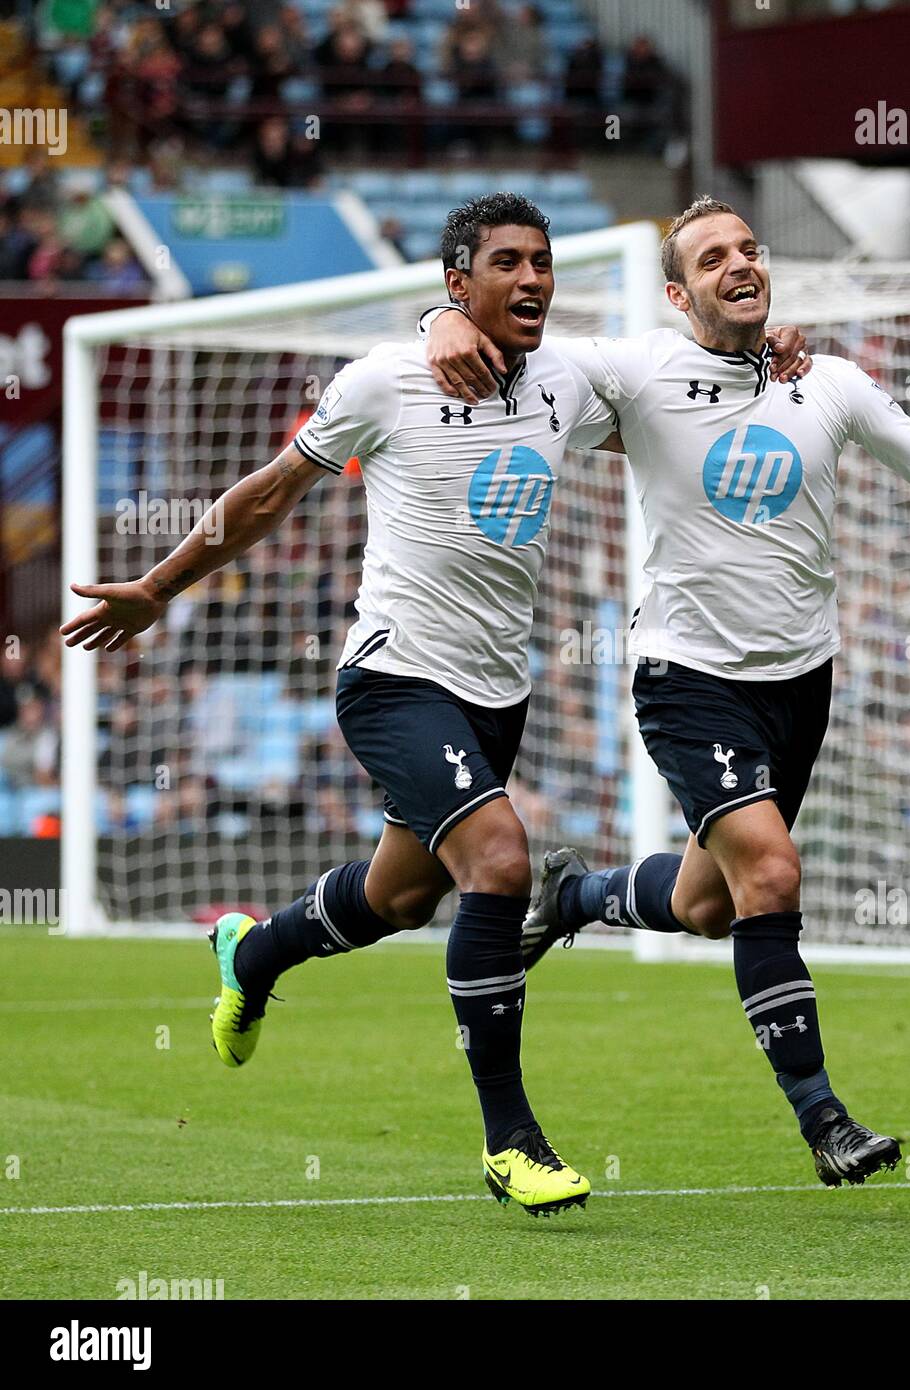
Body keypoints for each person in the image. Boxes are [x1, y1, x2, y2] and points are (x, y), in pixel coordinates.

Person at [421, 195, 910, 1190]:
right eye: (711, 256)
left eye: (747, 249)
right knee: (770, 876)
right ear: (677, 292)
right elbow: (515, 349)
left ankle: (577, 893)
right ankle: (824, 1121)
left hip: (799, 686)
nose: (737, 263)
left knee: (706, 903)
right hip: (688, 681)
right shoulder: (639, 371)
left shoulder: (827, 382)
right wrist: (440, 320)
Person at [61, 194, 623, 1217]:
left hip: (497, 692)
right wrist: (157, 586)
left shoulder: (571, 381)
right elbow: (272, 493)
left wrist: (772, 358)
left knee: (400, 898)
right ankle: (512, 1143)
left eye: (542, 260)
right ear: (457, 282)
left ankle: (253, 950)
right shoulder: (385, 379)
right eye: (506, 262)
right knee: (497, 862)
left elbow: (678, 397)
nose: (534, 278)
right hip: (394, 676)